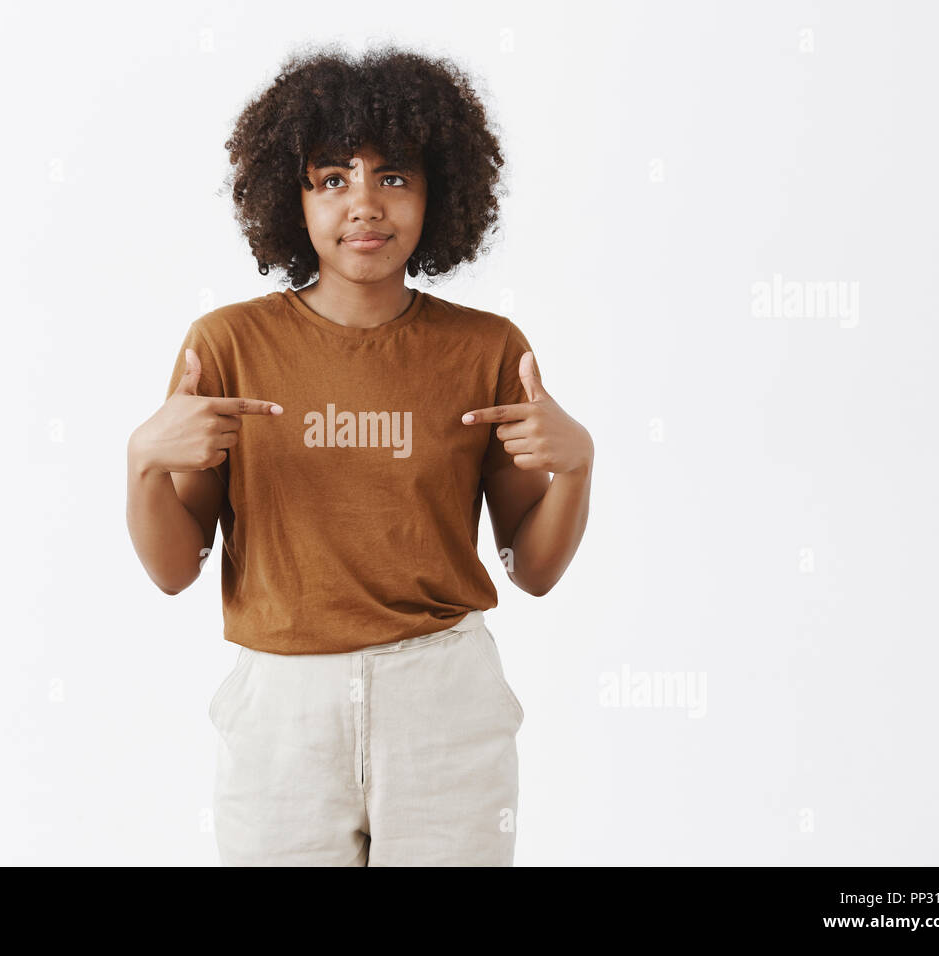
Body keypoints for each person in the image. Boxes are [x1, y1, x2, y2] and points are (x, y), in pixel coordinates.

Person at [125, 42, 594, 866]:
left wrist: (577, 465)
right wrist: (143, 461)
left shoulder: (487, 349)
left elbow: (534, 568)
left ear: (438, 193)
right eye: (333, 178)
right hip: (282, 710)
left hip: (445, 701)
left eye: (395, 177)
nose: (365, 206)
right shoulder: (227, 345)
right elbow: (173, 570)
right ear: (291, 197)